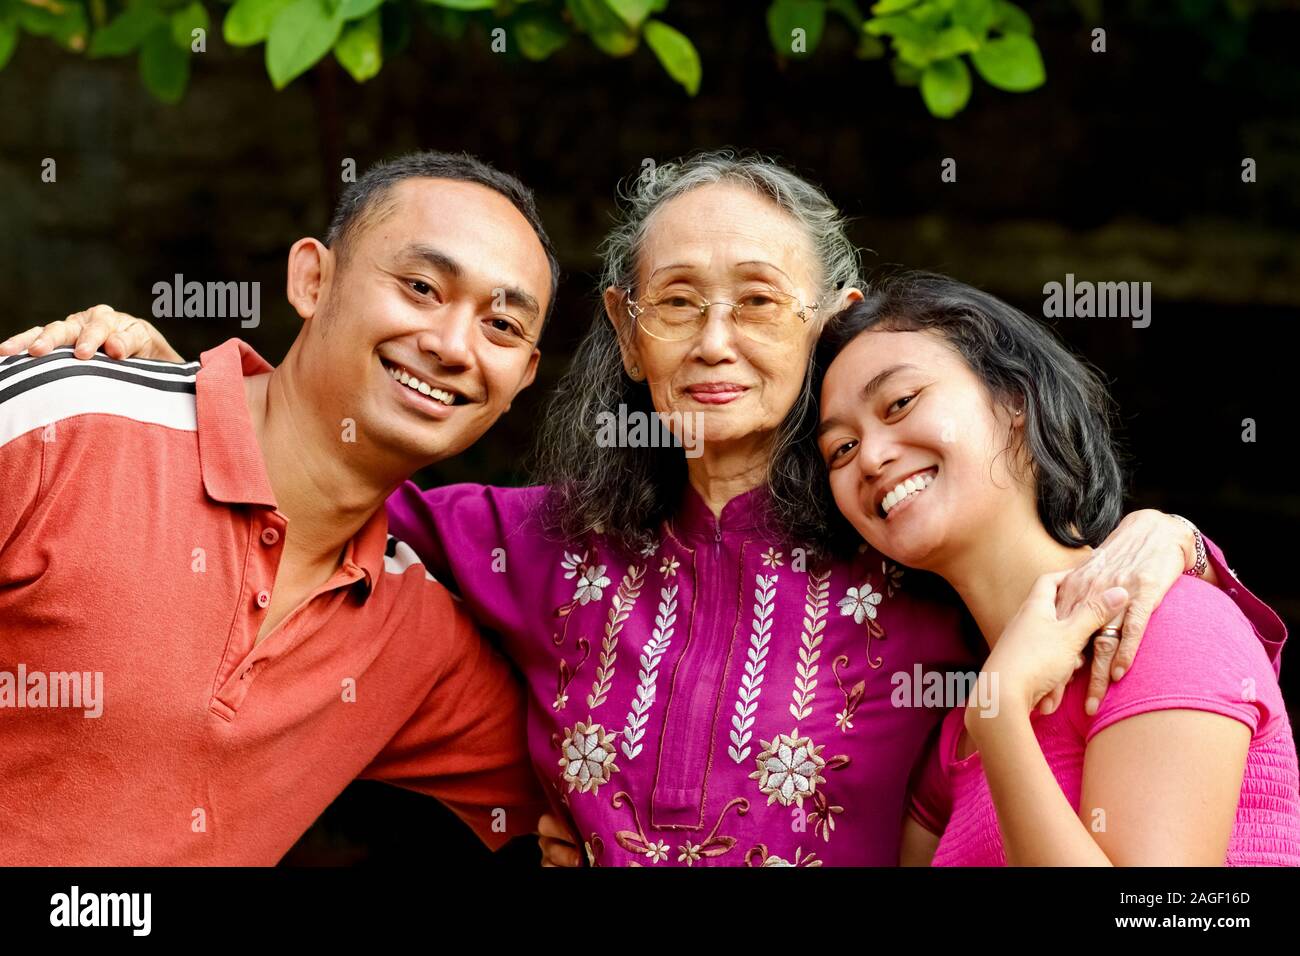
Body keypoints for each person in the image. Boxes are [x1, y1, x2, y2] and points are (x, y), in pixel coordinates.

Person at [9, 152, 1280, 867]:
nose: (713, 339)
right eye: (673, 301)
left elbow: (1051, 573)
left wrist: (1161, 538)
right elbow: (312, 474)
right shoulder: (523, 545)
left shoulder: (908, 556)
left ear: (831, 320)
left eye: (758, 301)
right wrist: (153, 378)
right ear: (622, 333)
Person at [0, 151, 558, 864]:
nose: (452, 346)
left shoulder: (414, 637)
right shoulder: (61, 431)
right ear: (313, 280)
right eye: (421, 287)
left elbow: (611, 795)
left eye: (502, 327)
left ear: (522, 380)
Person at [813, 272, 1298, 865]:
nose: (871, 456)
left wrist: (1003, 714)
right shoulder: (950, 747)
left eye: (901, 402)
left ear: (1014, 399)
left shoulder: (1169, 625)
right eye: (840, 448)